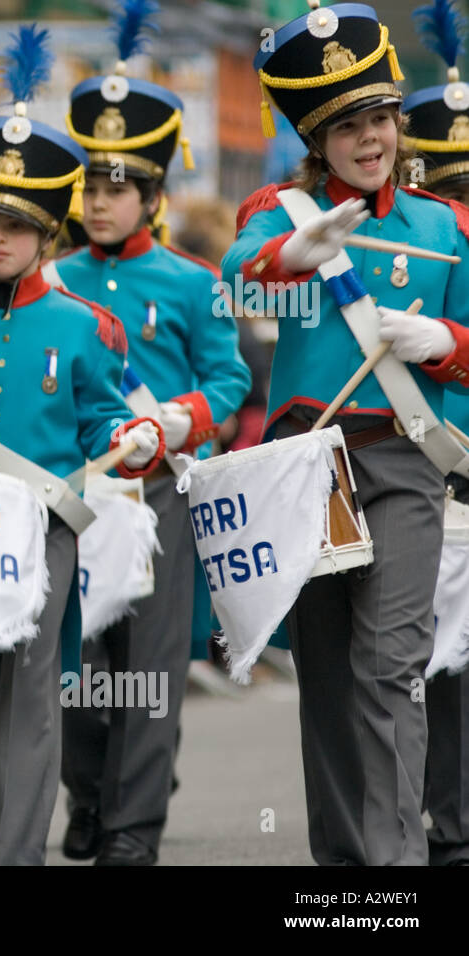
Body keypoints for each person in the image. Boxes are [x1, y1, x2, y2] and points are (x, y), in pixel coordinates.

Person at [223, 0, 469, 866]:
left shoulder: (443, 226)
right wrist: (291, 254)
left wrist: (446, 342)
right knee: (326, 676)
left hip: (403, 459)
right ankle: (343, 873)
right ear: (314, 137)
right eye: (347, 126)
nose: (371, 140)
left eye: (380, 119)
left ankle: (395, 870)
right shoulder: (280, 209)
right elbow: (240, 283)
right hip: (306, 471)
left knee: (391, 664)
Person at [0, 24, 164, 867]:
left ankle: (17, 859)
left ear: (49, 232)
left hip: (45, 533)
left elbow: (102, 423)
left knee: (31, 700)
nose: (0, 239)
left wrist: (131, 439)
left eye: (19, 224)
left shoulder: (84, 326)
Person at [52, 0, 251, 866]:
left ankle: (132, 832)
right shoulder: (51, 280)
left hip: (163, 491)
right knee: (74, 672)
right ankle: (91, 794)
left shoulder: (192, 281)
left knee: (149, 673)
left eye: (118, 187)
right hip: (79, 494)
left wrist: (185, 417)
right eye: (89, 185)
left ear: (154, 195)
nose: (99, 202)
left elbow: (230, 380)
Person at [405, 0, 469, 867]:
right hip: (431, 477)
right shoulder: (404, 246)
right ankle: (449, 825)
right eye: (449, 189)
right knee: (438, 667)